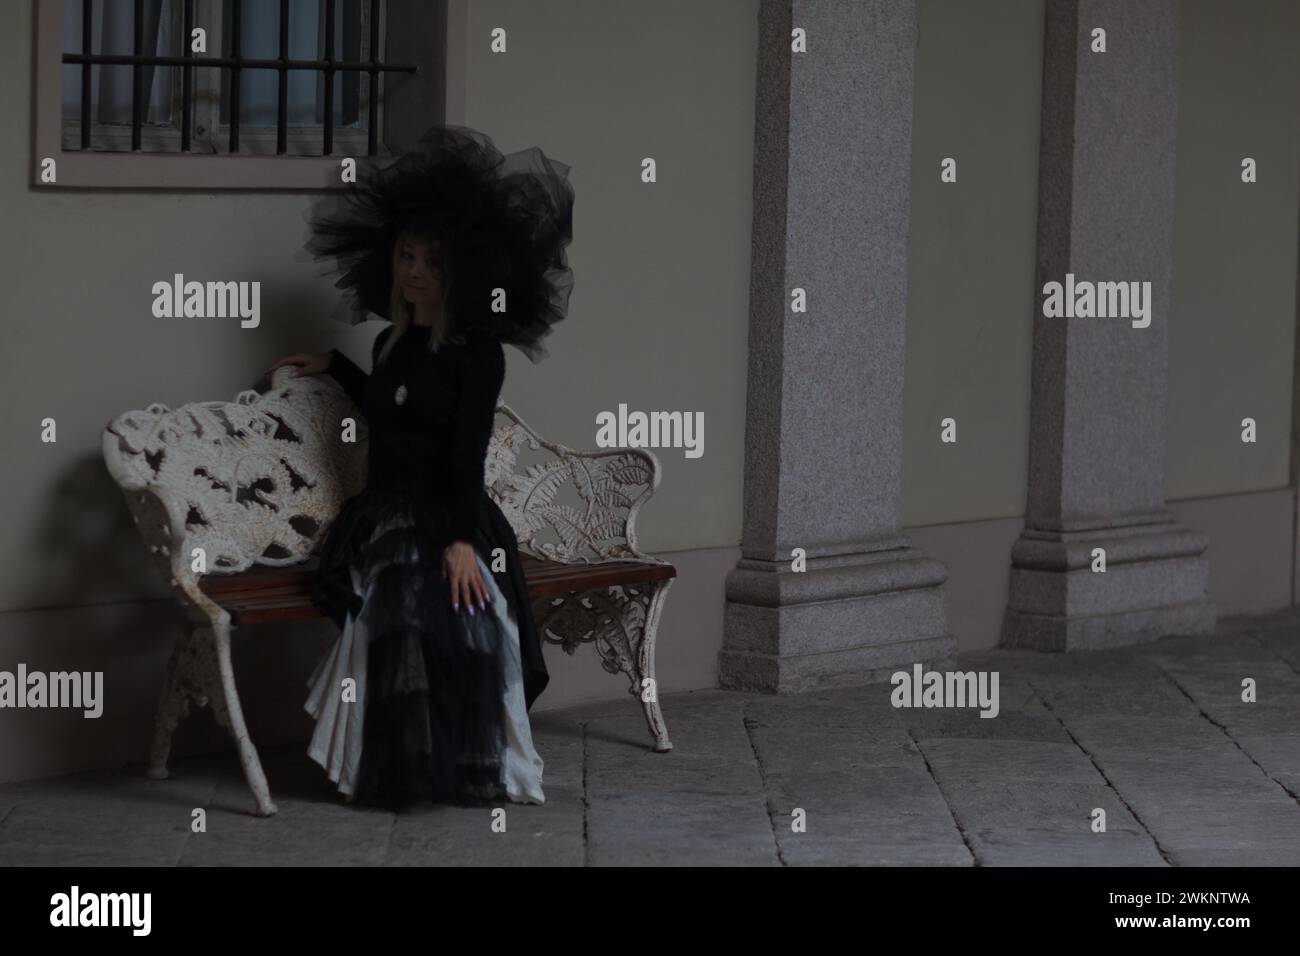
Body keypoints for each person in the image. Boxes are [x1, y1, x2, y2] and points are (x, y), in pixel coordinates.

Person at [265, 125, 575, 810]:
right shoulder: (389, 344)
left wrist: (462, 544)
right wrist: (335, 366)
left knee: (476, 610)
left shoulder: (478, 353)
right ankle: (390, 765)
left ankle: (473, 765)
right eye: (405, 257)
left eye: (431, 263)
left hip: (456, 514)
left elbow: (464, 455)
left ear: (458, 272)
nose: (414, 273)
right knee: (398, 606)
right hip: (386, 514)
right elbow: (388, 412)